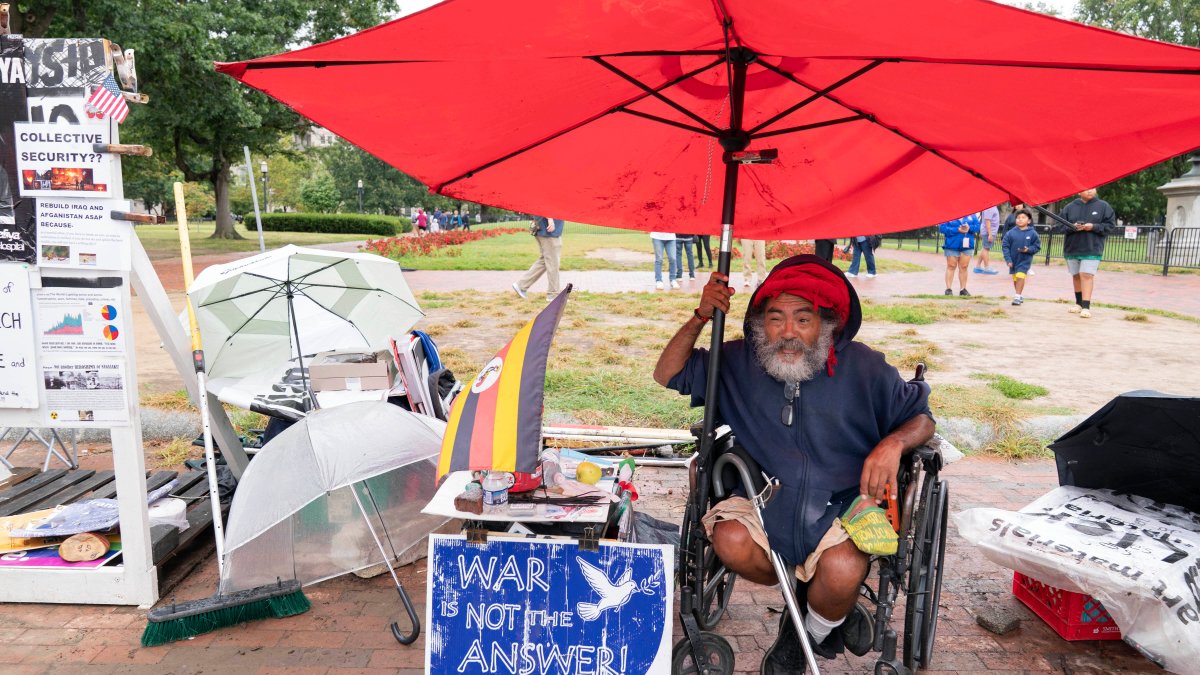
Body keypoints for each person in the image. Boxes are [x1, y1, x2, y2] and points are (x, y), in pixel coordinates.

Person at [654, 255, 934, 673]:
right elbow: (667, 373)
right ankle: (811, 595)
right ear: (758, 324)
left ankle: (808, 631)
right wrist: (699, 316)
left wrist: (893, 443)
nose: (788, 333)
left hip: (844, 502)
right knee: (729, 540)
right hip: (763, 495)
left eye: (803, 320)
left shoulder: (864, 367)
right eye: (775, 318)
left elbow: (923, 419)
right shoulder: (737, 362)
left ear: (826, 324)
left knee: (840, 571)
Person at [1057, 188, 1115, 319]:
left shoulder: (1103, 206)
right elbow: (1059, 226)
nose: (1090, 191)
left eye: (1093, 188)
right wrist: (1073, 227)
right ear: (1078, 191)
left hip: (1092, 248)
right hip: (1072, 248)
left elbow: (1110, 226)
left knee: (1086, 274)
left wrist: (1093, 227)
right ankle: (1078, 303)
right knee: (1076, 275)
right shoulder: (1069, 207)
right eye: (1086, 189)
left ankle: (1086, 307)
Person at [512, 216, 564, 300]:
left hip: (544, 228)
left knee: (546, 260)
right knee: (553, 263)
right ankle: (553, 295)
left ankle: (521, 285)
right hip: (548, 230)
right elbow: (545, 203)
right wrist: (550, 219)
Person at [1002, 209, 1041, 306]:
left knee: (1020, 276)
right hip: (1013, 260)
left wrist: (1028, 250)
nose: (1020, 219)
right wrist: (1008, 260)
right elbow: (1005, 247)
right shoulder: (1010, 233)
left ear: (1029, 221)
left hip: (1025, 260)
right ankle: (1019, 295)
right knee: (1016, 279)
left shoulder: (1033, 233)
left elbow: (1037, 247)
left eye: (1023, 218)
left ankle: (1017, 296)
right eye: (1018, 218)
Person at [939, 213, 980, 296]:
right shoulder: (947, 213)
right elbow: (942, 228)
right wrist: (957, 230)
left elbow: (978, 226)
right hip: (952, 245)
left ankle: (963, 289)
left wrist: (969, 228)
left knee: (964, 267)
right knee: (951, 266)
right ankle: (948, 289)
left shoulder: (971, 214)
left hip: (967, 245)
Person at [973, 205, 1002, 274]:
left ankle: (978, 266)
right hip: (988, 232)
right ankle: (987, 268)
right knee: (986, 249)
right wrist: (990, 234)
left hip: (989, 231)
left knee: (985, 248)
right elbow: (987, 221)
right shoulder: (990, 206)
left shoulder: (992, 206)